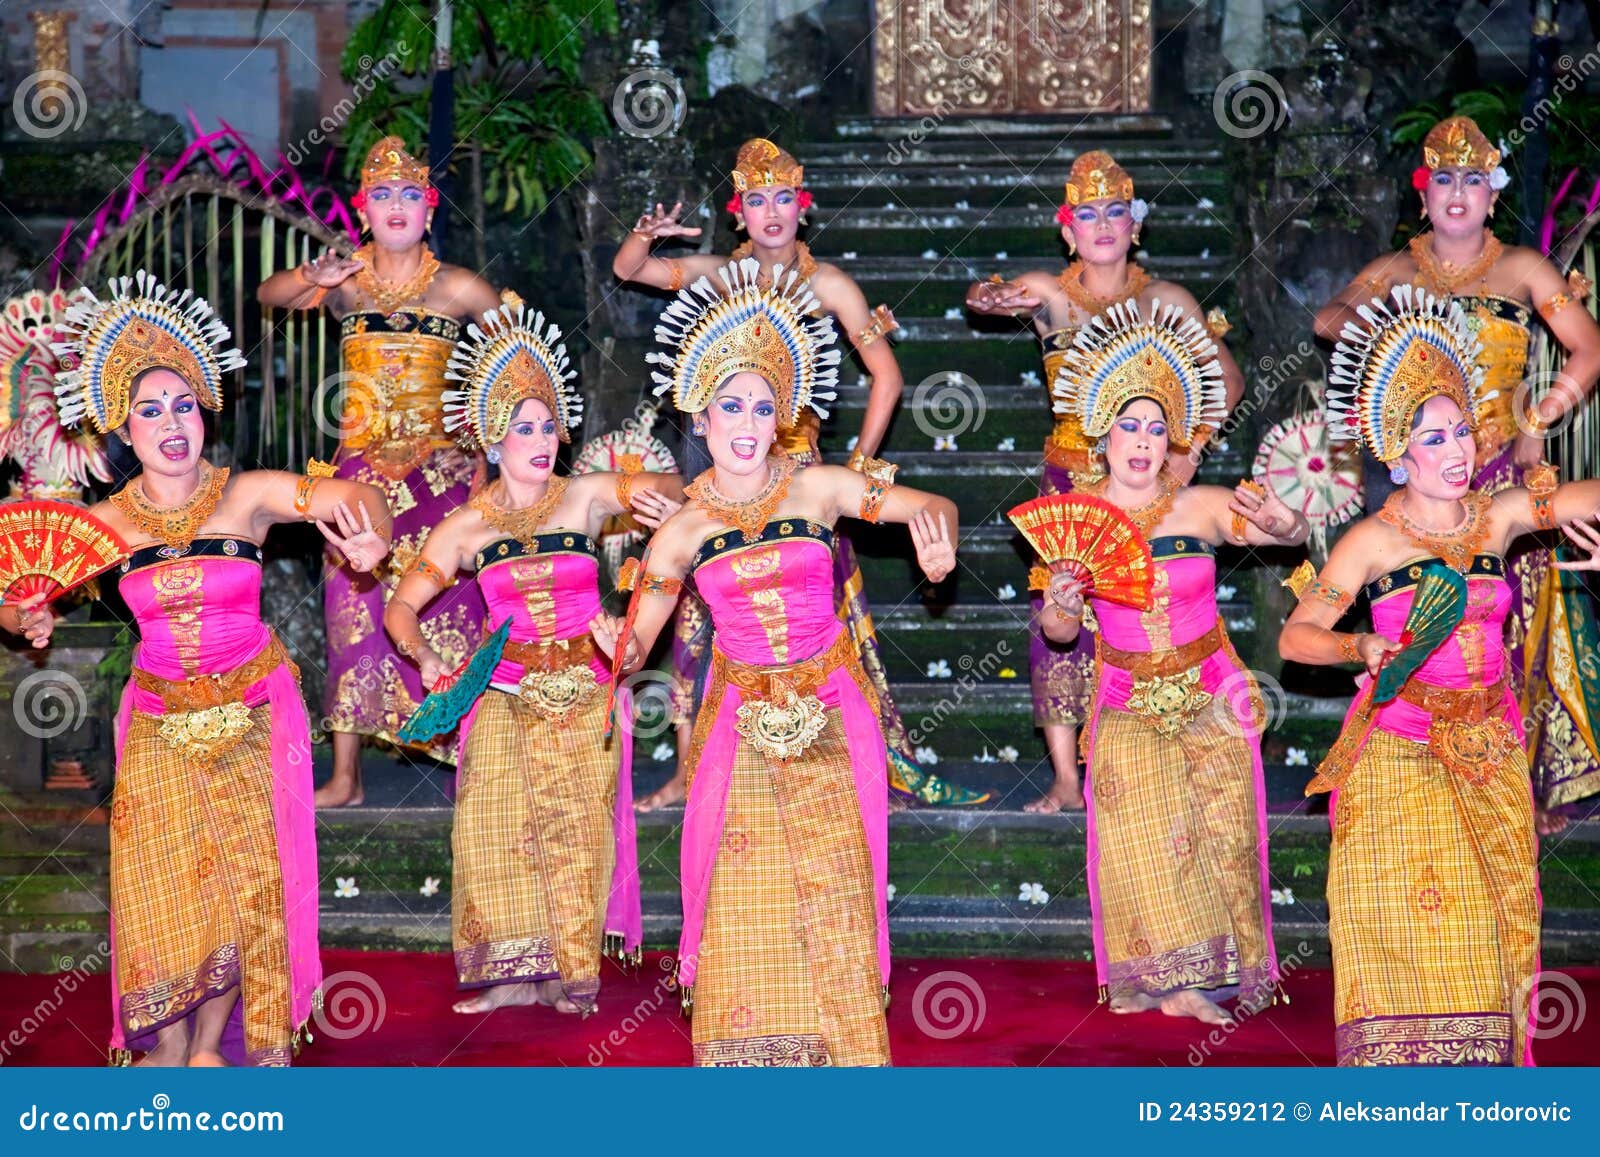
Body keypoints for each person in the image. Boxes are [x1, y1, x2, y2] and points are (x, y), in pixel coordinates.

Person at [2, 272, 391, 1064]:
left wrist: (370, 535)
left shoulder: (245, 494)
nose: (170, 422)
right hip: (155, 719)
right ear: (122, 424)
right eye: (149, 409)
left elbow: (355, 494)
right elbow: (15, 600)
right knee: (155, 889)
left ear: (205, 412)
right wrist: (25, 615)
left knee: (240, 884)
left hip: (252, 710)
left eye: (184, 404)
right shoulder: (104, 521)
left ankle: (211, 1045)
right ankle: (164, 1045)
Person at [591, 259, 959, 1065]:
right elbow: (636, 642)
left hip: (833, 706)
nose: (747, 421)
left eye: (763, 404)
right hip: (739, 721)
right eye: (731, 404)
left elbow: (934, 505)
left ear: (783, 410)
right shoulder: (682, 530)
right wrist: (601, 630)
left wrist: (937, 553)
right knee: (740, 890)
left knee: (835, 887)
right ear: (701, 408)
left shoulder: (820, 487)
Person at [614, 137, 984, 810]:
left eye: (784, 197)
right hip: (715, 466)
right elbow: (633, 270)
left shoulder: (829, 284)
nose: (772, 212)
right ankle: (690, 765)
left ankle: (852, 751)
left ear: (802, 207)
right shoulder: (724, 275)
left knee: (822, 617)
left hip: (798, 470)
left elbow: (888, 378)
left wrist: (861, 466)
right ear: (739, 212)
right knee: (699, 620)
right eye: (757, 200)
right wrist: (644, 236)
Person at [1283, 284, 1600, 1065]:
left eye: (1463, 430)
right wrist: (1360, 650)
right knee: (1423, 919)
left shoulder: (1497, 513)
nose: (1458, 450)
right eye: (1435, 439)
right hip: (1399, 749)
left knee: (1494, 926)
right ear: (1397, 453)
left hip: (1490, 745)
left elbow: (1588, 496)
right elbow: (1296, 637)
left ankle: (1477, 1083)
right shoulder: (1371, 542)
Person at [385, 302, 682, 1014]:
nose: (542, 438)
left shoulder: (582, 497)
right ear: (492, 435)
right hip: (505, 687)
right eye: (524, 426)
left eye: (549, 423)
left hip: (583, 686)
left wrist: (665, 506)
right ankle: (513, 974)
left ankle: (566, 975)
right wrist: (424, 654)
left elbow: (672, 491)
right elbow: (399, 606)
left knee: (573, 831)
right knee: (492, 828)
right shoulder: (465, 525)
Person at [1314, 115, 1600, 835]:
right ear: (1424, 191)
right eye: (1443, 177)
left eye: (1474, 179)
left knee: (1517, 626)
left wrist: (1539, 422)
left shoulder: (1524, 269)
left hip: (1501, 468)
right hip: (1418, 480)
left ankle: (1520, 783)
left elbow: (1588, 350)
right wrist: (1388, 332)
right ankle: (1419, 770)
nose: (1458, 192)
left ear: (1493, 193)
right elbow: (1326, 320)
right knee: (1423, 626)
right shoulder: (1395, 270)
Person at [1040, 298, 1301, 1023]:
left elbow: (1290, 534)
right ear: (1102, 431)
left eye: (1157, 427)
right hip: (1125, 691)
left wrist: (1286, 522)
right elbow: (1060, 634)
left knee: (1225, 831)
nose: (1143, 440)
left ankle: (1223, 969)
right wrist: (1064, 598)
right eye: (1129, 424)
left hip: (1210, 685)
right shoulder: (1077, 519)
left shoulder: (1204, 505)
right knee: (1142, 834)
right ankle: (1165, 979)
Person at [967, 150, 1244, 814]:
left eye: (1114, 211)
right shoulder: (1052, 292)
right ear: (1068, 230)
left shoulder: (1165, 300)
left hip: (1149, 474)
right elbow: (987, 295)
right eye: (1086, 214)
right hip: (1070, 477)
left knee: (1146, 609)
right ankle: (1067, 776)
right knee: (1058, 611)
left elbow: (1227, 383)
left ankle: (1157, 746)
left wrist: (1192, 449)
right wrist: (985, 296)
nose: (1101, 224)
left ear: (1134, 225)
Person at [257, 135, 501, 806]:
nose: (398, 206)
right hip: (360, 473)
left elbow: (518, 349)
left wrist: (490, 447)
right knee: (350, 605)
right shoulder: (346, 281)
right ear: (364, 211)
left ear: (429, 209)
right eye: (383, 195)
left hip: (442, 467)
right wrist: (313, 278)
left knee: (451, 600)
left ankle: (463, 753)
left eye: (411, 195)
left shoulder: (458, 287)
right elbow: (268, 293)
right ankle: (347, 774)